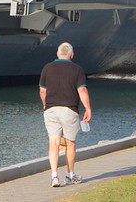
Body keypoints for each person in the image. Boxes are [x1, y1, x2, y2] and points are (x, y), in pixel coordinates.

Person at [39, 42, 92, 188]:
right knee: (70, 143)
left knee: (53, 142)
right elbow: (82, 91)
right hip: (70, 109)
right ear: (72, 55)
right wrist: (88, 108)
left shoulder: (47, 68)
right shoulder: (77, 69)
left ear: (57, 53)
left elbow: (42, 90)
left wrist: (45, 104)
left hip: (51, 109)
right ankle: (70, 175)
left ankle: (54, 176)